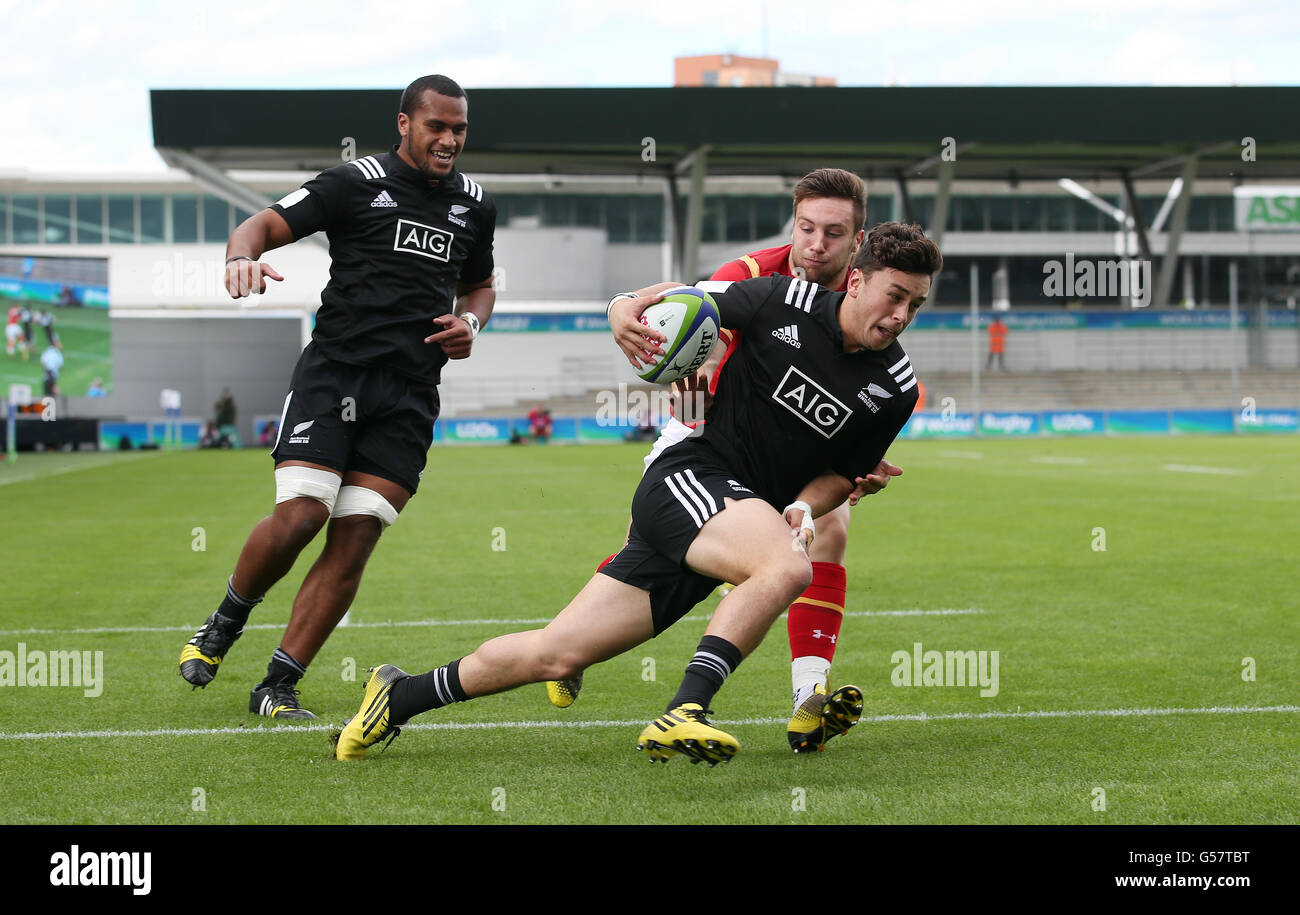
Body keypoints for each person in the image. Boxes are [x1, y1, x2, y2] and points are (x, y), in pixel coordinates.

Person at [331, 222, 941, 764]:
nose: (902, 314)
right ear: (856, 280)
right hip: (691, 477)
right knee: (787, 565)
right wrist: (621, 307)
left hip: (731, 523)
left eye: (915, 303)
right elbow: (678, 302)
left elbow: (845, 472)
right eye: (894, 295)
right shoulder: (782, 298)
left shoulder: (895, 384)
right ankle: (687, 710)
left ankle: (399, 693)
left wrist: (808, 504)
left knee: (558, 654)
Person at [548, 168, 904, 753]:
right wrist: (622, 307)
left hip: (786, 454)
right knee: (655, 543)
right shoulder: (754, 272)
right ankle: (569, 648)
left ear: (858, 241)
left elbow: (859, 407)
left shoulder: (867, 304)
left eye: (833, 234)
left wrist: (856, 469)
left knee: (826, 529)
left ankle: (807, 700)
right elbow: (684, 306)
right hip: (706, 432)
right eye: (806, 228)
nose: (815, 245)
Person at [177, 74, 497, 720]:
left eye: (459, 129)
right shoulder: (355, 182)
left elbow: (480, 283)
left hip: (408, 395)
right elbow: (262, 223)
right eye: (437, 126)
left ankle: (277, 684)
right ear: (405, 123)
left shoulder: (474, 203)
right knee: (302, 516)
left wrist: (473, 323)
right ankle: (225, 621)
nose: (449, 139)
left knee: (356, 536)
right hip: (336, 375)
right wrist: (241, 256)